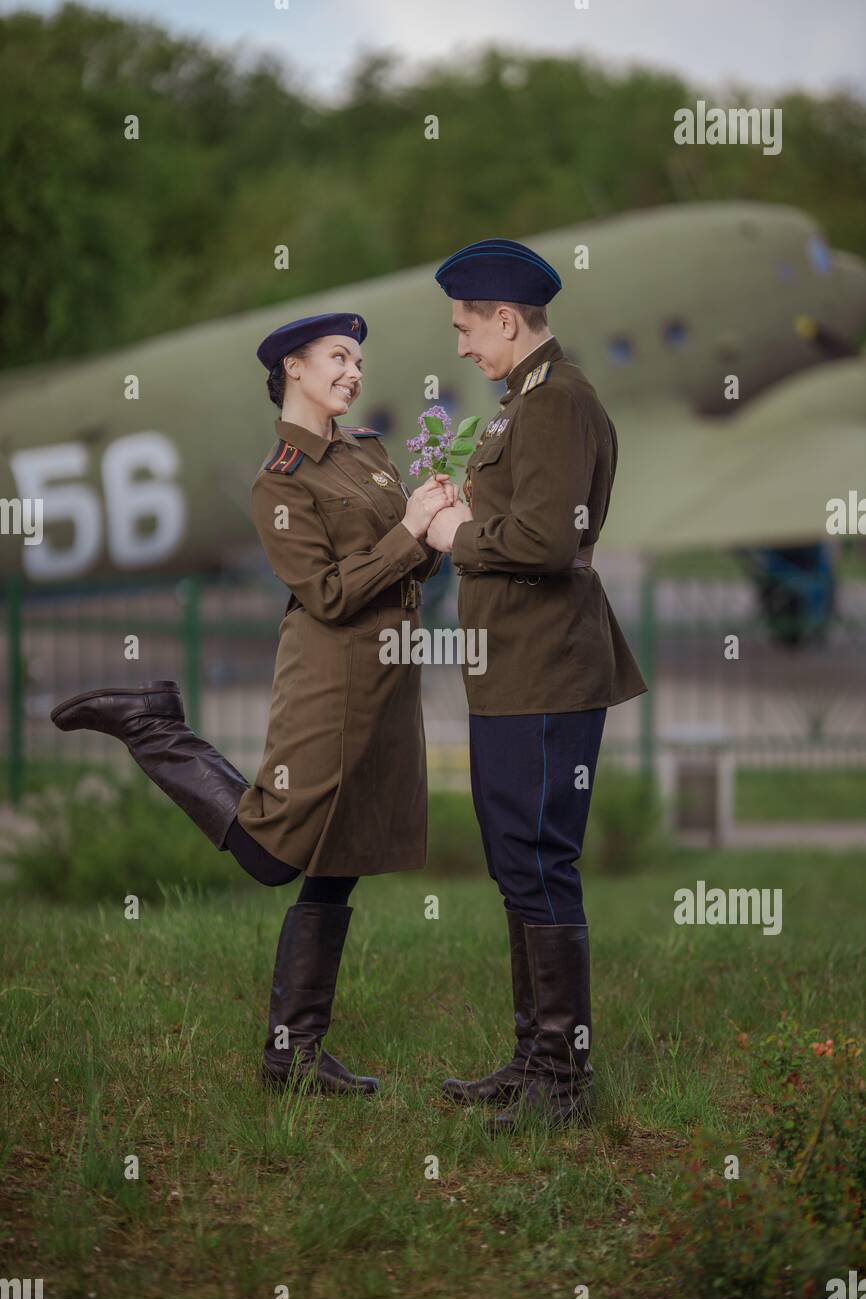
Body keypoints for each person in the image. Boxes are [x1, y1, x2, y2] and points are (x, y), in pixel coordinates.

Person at [50, 312, 454, 1097]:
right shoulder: (281, 482)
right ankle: (153, 728)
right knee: (275, 854)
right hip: (328, 683)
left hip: (386, 682)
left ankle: (293, 1056)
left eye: (359, 360)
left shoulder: (368, 453)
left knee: (338, 863)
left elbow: (406, 574)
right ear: (294, 368)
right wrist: (409, 532)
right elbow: (329, 595)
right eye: (339, 357)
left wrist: (431, 532)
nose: (354, 372)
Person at [424, 240, 648, 1134]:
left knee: (542, 864)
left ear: (507, 321)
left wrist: (453, 536)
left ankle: (565, 1081)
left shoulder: (557, 404)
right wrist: (469, 509)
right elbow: (526, 519)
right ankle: (532, 1061)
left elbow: (549, 545)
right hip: (514, 671)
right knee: (518, 863)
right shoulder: (529, 401)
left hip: (547, 674)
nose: (463, 347)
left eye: (467, 330)